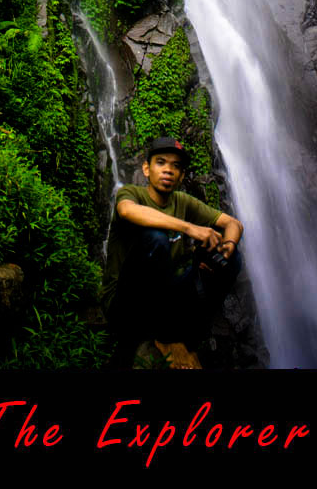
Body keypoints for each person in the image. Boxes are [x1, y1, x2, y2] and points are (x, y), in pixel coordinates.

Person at [101, 136, 243, 369]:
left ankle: (189, 341)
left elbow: (233, 224)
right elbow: (127, 211)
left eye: (176, 166)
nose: (168, 170)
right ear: (146, 169)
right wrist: (189, 228)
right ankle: (165, 339)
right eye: (161, 162)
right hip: (124, 302)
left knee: (232, 259)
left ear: (182, 175)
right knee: (156, 239)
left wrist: (227, 247)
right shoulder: (131, 193)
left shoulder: (182, 201)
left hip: (165, 296)